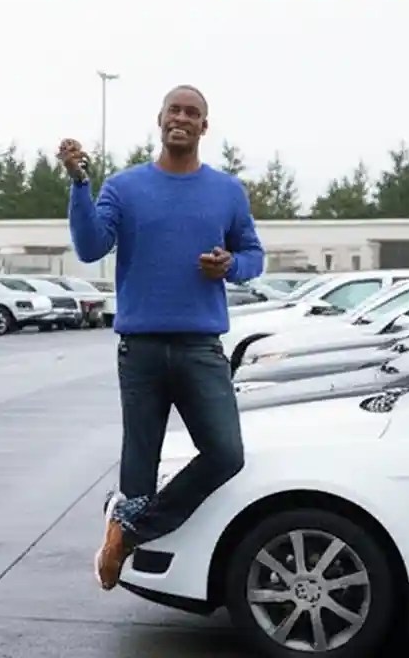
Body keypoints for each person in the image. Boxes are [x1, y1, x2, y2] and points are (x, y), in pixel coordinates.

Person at [59, 84, 265, 591]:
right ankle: (126, 530)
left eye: (192, 113)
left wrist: (230, 265)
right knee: (139, 467)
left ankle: (128, 534)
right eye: (175, 109)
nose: (182, 118)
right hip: (142, 350)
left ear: (204, 127)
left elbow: (254, 258)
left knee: (225, 454)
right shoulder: (125, 189)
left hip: (200, 348)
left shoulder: (226, 192)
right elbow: (89, 247)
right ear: (159, 119)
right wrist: (79, 183)